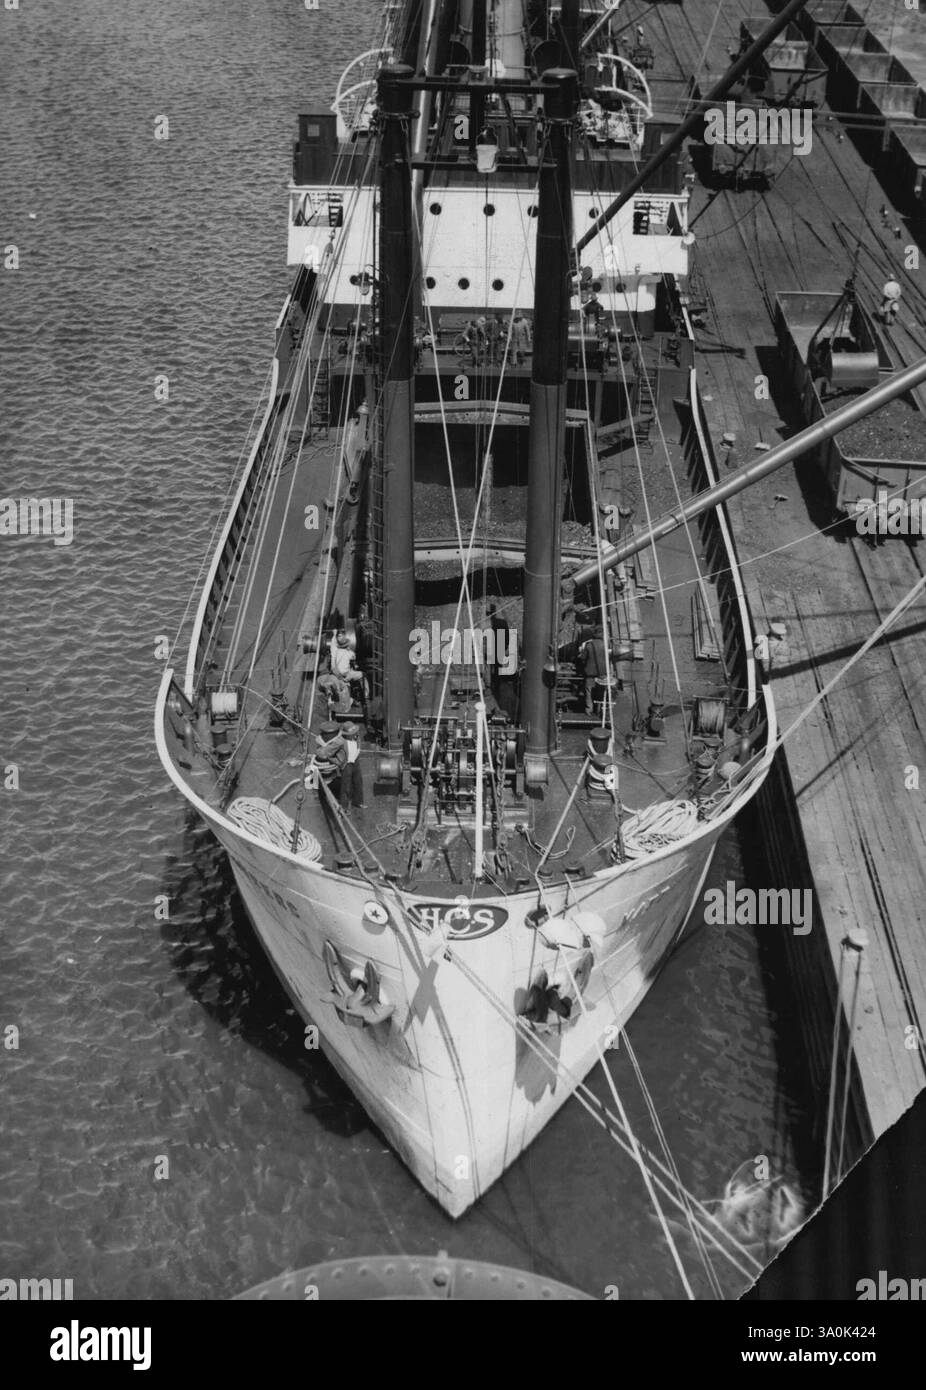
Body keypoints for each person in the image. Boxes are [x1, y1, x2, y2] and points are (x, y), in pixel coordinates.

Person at [578, 624, 607, 715]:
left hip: (590, 673)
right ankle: (599, 710)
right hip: (602, 673)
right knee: (601, 691)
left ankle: (589, 710)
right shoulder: (605, 645)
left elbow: (583, 658)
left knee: (589, 691)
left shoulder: (589, 645)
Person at [338, 720, 365, 810]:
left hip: (355, 761)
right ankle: (344, 807)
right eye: (352, 733)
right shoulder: (342, 742)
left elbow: (359, 745)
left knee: (358, 782)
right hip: (347, 764)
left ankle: (358, 802)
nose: (354, 734)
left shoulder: (357, 738)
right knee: (346, 785)